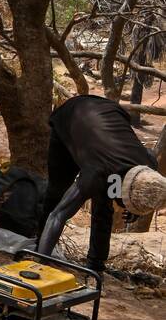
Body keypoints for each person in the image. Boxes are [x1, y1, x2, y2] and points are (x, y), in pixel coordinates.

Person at [37, 95, 166, 273]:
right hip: (70, 117)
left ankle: (96, 265)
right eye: (127, 202)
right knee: (57, 193)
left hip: (107, 112)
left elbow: (137, 179)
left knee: (104, 204)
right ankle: (39, 249)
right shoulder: (96, 175)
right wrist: (38, 267)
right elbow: (57, 216)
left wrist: (135, 207)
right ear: (122, 189)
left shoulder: (148, 164)